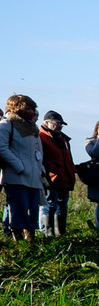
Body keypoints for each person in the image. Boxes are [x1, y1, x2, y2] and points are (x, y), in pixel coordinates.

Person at [0, 95, 44, 242]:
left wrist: (40, 168)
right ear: (18, 108)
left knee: (33, 208)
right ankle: (18, 241)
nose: (33, 111)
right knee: (19, 208)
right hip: (16, 176)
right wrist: (19, 166)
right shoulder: (7, 124)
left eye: (33, 108)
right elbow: (2, 148)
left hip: (33, 176)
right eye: (29, 108)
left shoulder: (32, 127)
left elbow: (37, 151)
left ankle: (31, 238)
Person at [39, 111, 75, 236]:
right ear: (46, 122)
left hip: (64, 178)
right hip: (51, 179)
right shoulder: (41, 138)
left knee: (61, 206)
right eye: (56, 123)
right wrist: (46, 177)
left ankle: (60, 233)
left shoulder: (63, 139)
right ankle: (47, 233)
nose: (59, 126)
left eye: (61, 124)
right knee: (49, 205)